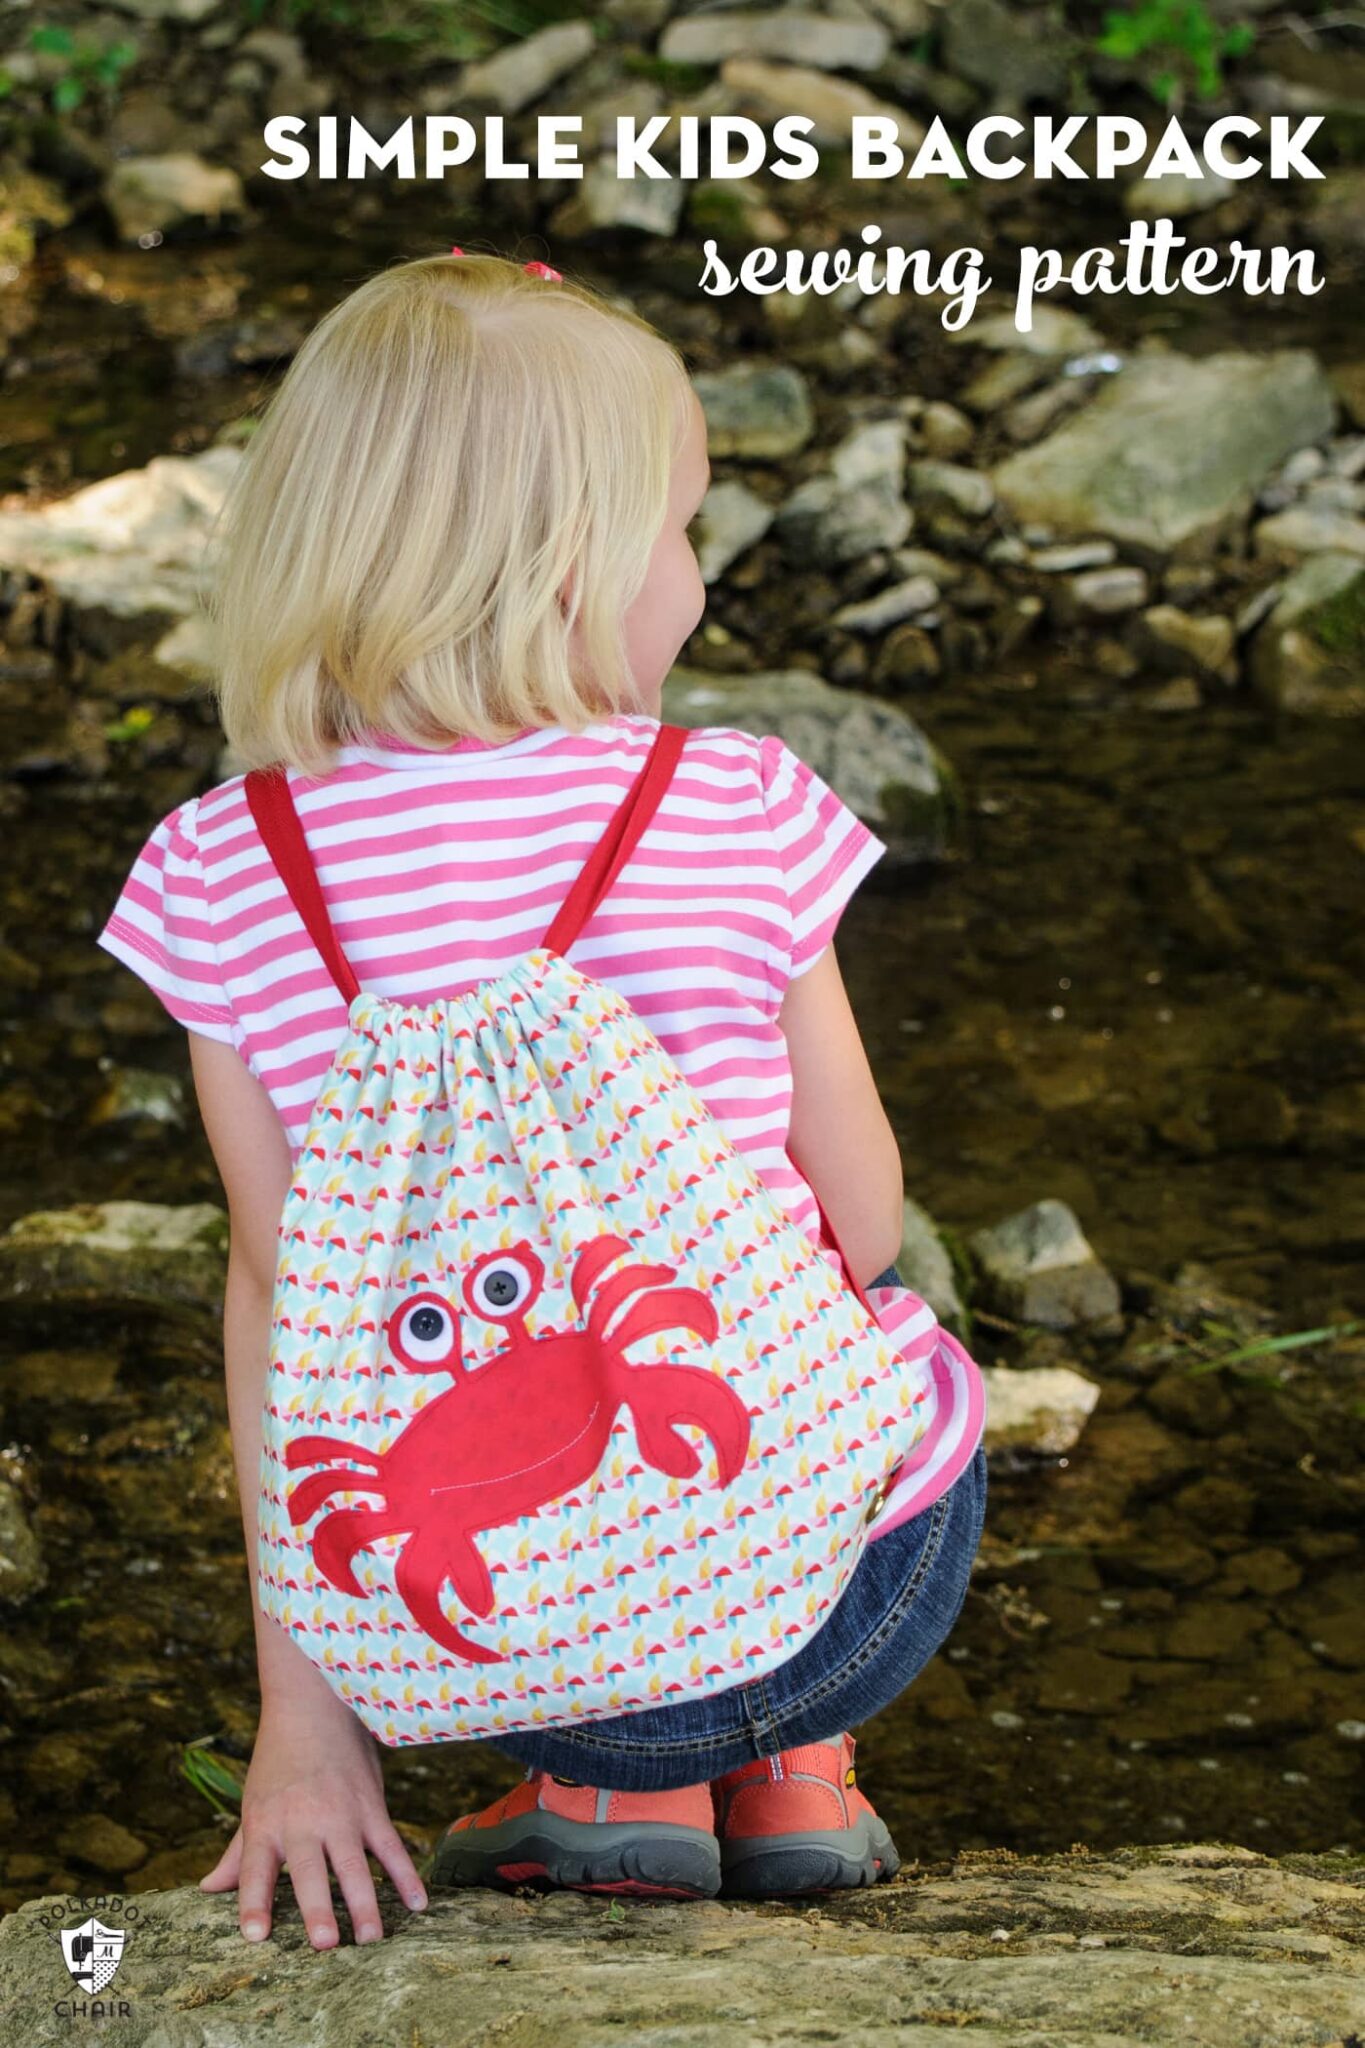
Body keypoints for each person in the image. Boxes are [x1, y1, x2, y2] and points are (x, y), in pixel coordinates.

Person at [97, 248, 988, 1946]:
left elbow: (293, 1323)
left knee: (418, 1400)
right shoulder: (734, 799)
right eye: (683, 533)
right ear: (575, 566)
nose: (698, 584)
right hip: (856, 1599)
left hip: (511, 1654)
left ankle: (606, 1791)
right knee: (875, 1317)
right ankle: (798, 1768)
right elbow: (863, 1217)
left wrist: (308, 1737)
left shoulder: (221, 867)